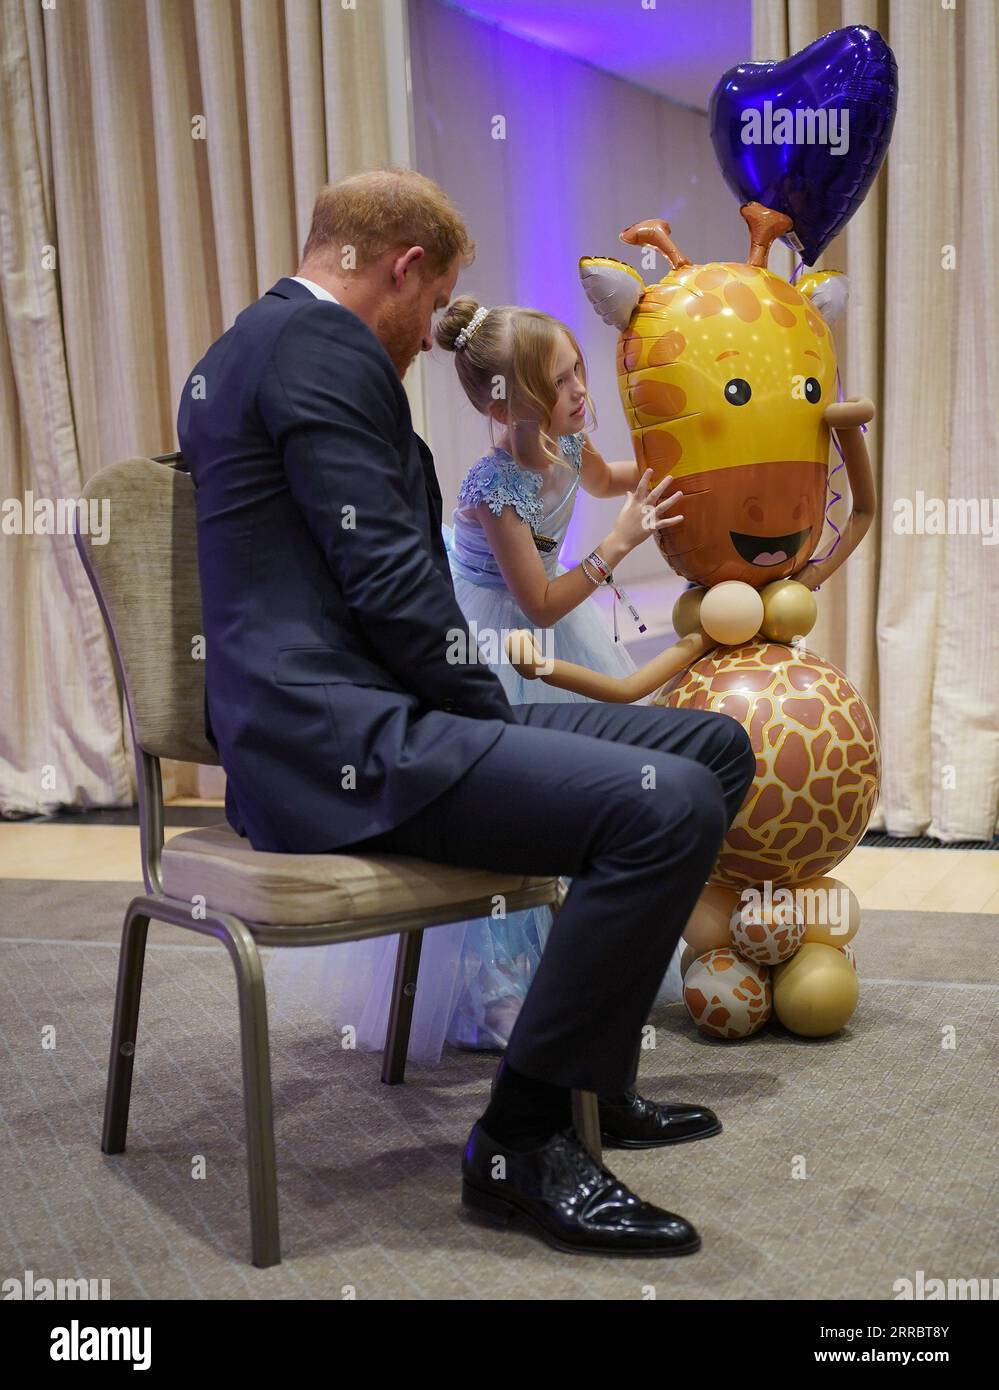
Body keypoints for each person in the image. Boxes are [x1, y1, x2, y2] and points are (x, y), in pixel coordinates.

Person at [177, 168, 756, 1258]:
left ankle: (588, 1081)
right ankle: (521, 1142)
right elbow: (395, 586)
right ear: (403, 269)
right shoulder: (322, 349)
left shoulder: (250, 350)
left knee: (710, 746)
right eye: (436, 301)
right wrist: (494, 718)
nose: (432, 336)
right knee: (666, 805)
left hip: (367, 722)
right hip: (344, 746)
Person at [278, 298, 686, 1063]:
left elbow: (603, 479)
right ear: (513, 401)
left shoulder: (568, 445)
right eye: (560, 383)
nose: (580, 394)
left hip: (554, 633)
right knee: (512, 813)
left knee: (587, 800)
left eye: (577, 374)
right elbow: (536, 602)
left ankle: (573, 958)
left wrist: (678, 460)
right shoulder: (495, 488)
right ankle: (494, 985)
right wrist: (618, 547)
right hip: (498, 641)